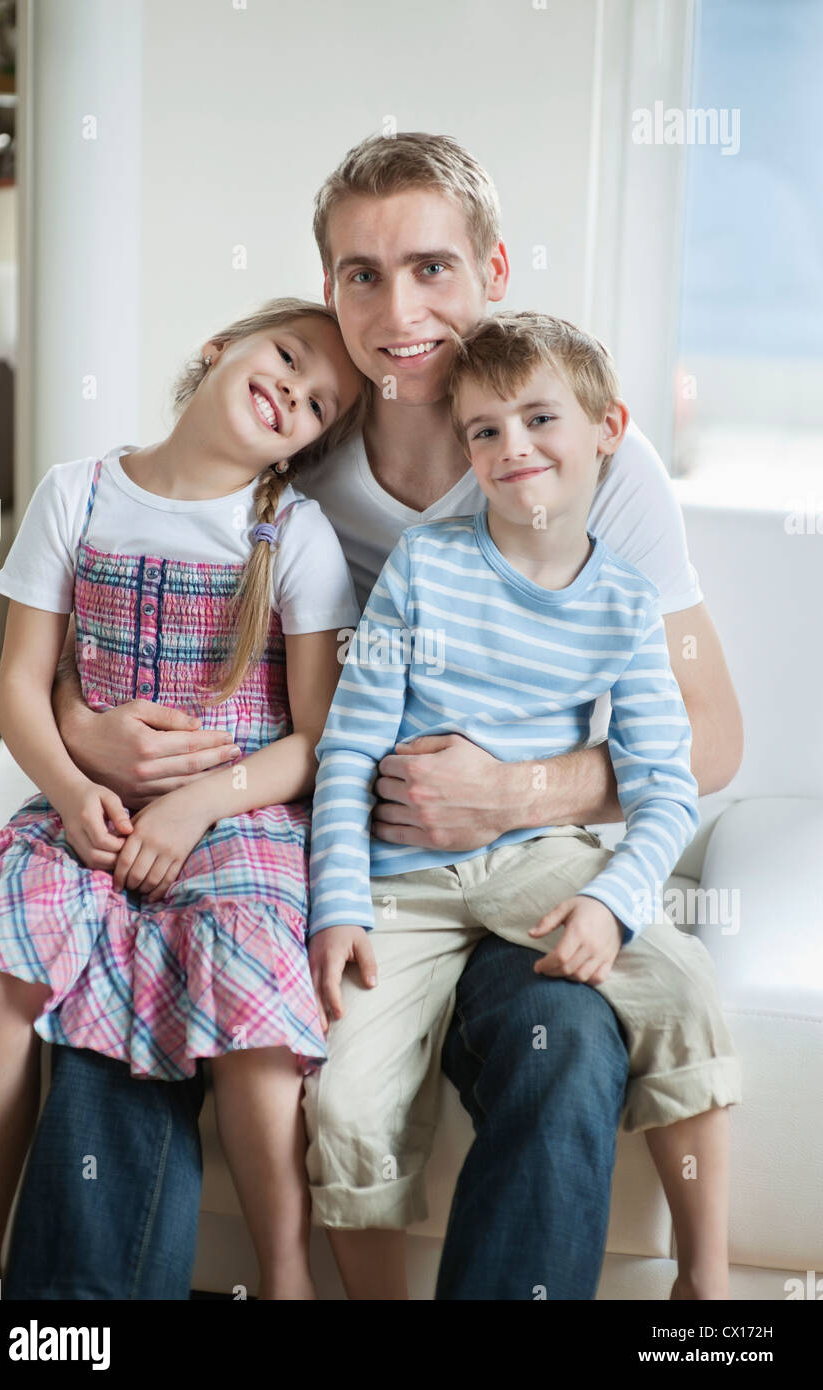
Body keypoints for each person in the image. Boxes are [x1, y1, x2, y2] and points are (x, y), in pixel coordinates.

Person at [6, 133, 743, 1302]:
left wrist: (521, 791)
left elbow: (708, 735)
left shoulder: (577, 451)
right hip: (308, 848)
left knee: (569, 1046)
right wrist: (78, 729)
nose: (398, 310)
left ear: (494, 269)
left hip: (519, 864)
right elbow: (132, 583)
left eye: (432, 269)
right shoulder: (297, 439)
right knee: (133, 994)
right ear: (329, 287)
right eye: (361, 274)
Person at [306, 310, 742, 1302]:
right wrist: (336, 902)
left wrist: (612, 902)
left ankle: (704, 1283)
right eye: (485, 431)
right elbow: (349, 748)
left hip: (537, 857)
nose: (513, 449)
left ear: (607, 430)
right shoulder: (425, 565)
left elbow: (665, 780)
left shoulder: (628, 605)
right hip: (403, 880)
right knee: (339, 1101)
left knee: (687, 990)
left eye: (540, 419)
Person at [0, 298, 366, 1300]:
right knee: (8, 947)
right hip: (82, 803)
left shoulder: (294, 537)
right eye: (286, 358)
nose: (294, 393)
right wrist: (68, 782)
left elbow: (313, 740)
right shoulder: (79, 491)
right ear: (218, 347)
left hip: (235, 815)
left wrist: (194, 808)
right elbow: (19, 685)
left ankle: (284, 1277)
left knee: (248, 963)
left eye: (319, 404)